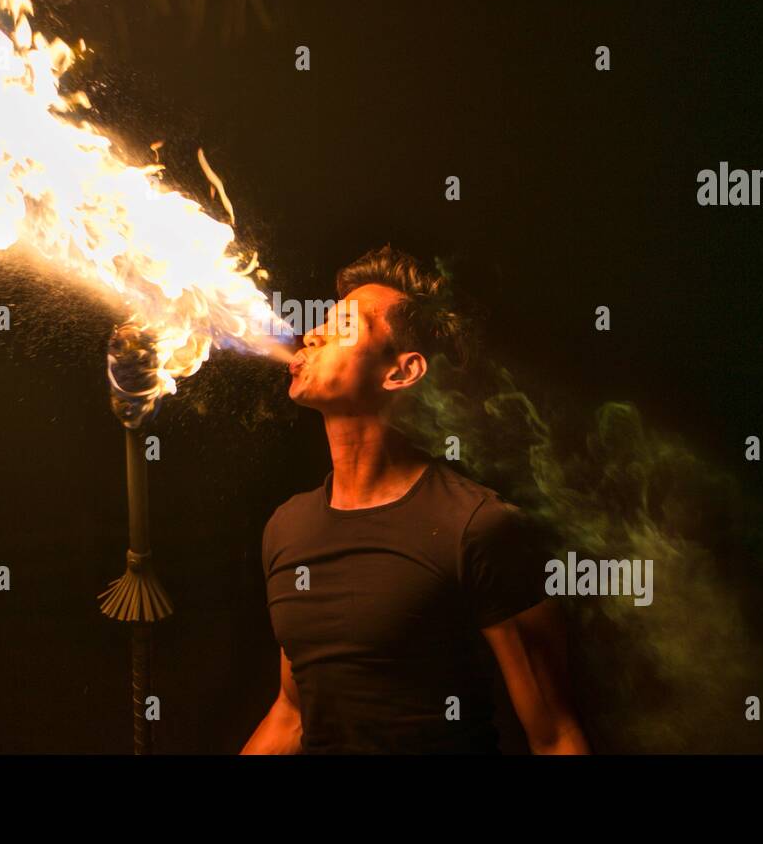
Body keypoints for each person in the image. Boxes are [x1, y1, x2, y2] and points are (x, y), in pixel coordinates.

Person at [241, 245, 589, 754]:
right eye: (321, 322)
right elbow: (292, 713)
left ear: (401, 372)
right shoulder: (287, 528)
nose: (312, 334)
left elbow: (554, 735)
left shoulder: (476, 526)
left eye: (343, 326)